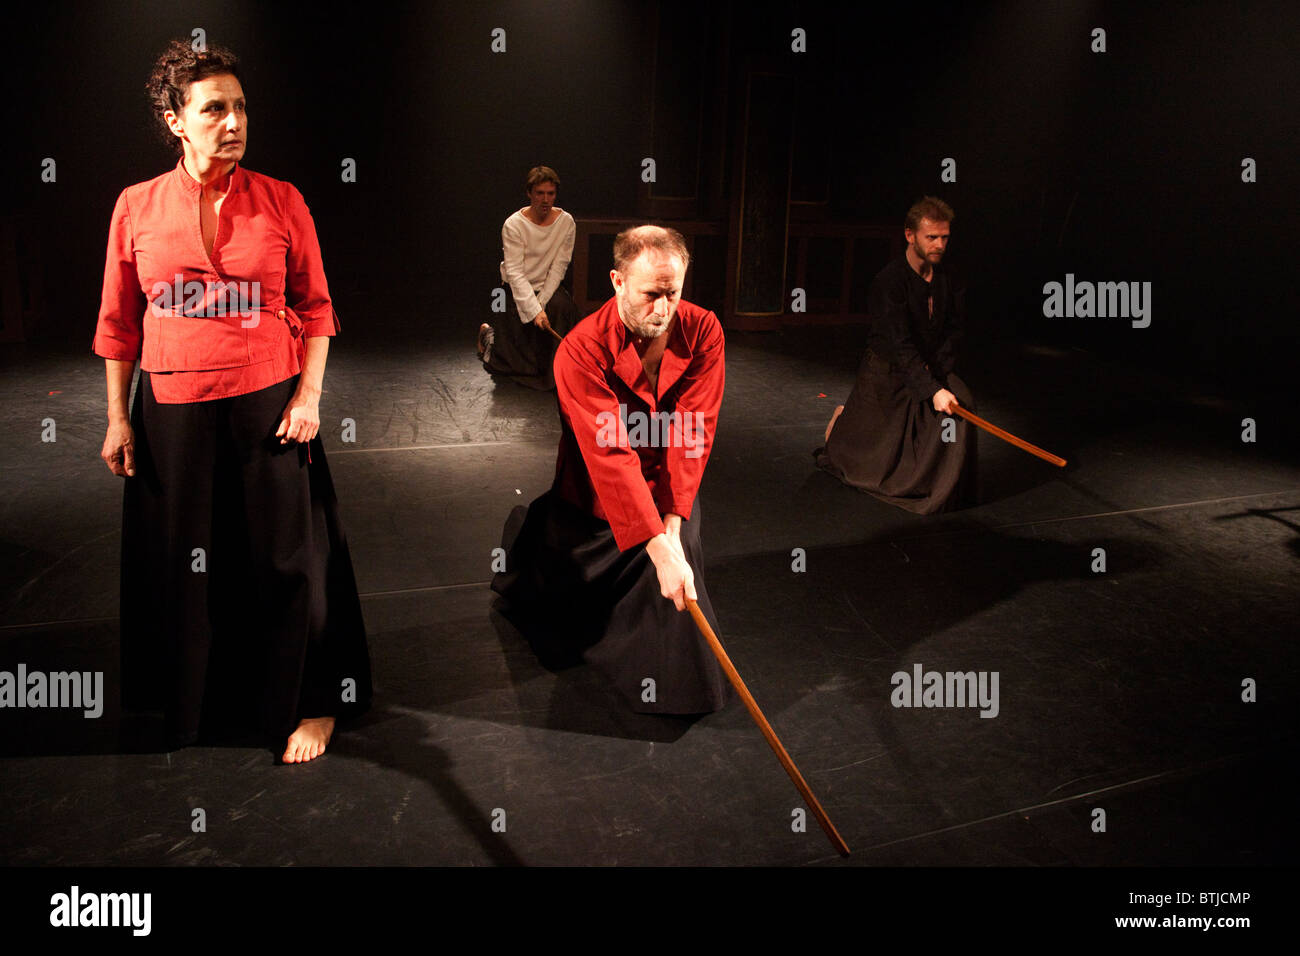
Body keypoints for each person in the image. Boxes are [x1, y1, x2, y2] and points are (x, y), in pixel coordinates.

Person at [93, 40, 372, 763]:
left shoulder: (282, 200)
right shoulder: (136, 206)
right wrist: (120, 417)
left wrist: (310, 397)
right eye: (214, 108)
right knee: (188, 563)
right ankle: (194, 703)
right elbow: (119, 323)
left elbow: (317, 308)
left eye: (239, 106)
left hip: (269, 402)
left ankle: (311, 704)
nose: (233, 121)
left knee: (287, 561)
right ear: (175, 120)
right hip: (173, 408)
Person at [491, 226, 729, 714]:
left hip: (667, 486)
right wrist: (656, 547)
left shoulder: (703, 329)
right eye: (650, 295)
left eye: (673, 294)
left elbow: (692, 433)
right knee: (562, 617)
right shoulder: (579, 350)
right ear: (617, 281)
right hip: (597, 493)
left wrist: (672, 526)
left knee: (682, 569)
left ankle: (671, 685)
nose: (663, 310)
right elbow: (610, 455)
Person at [814, 197, 976, 513]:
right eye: (932, 237)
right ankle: (841, 426)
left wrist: (939, 374)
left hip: (928, 365)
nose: (940, 244)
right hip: (888, 369)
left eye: (944, 237)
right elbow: (899, 345)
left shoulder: (949, 277)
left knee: (961, 402)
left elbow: (954, 332)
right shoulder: (889, 282)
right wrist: (931, 388)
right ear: (909, 235)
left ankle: (940, 484)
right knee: (869, 466)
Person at [477, 166, 579, 389]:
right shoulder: (514, 224)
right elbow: (515, 273)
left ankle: (556, 370)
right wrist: (533, 310)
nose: (545, 199)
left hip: (546, 289)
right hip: (515, 290)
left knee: (563, 308)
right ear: (529, 194)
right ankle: (488, 336)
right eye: (540, 193)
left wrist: (539, 306)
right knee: (510, 364)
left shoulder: (566, 222)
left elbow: (559, 267)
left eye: (550, 193)